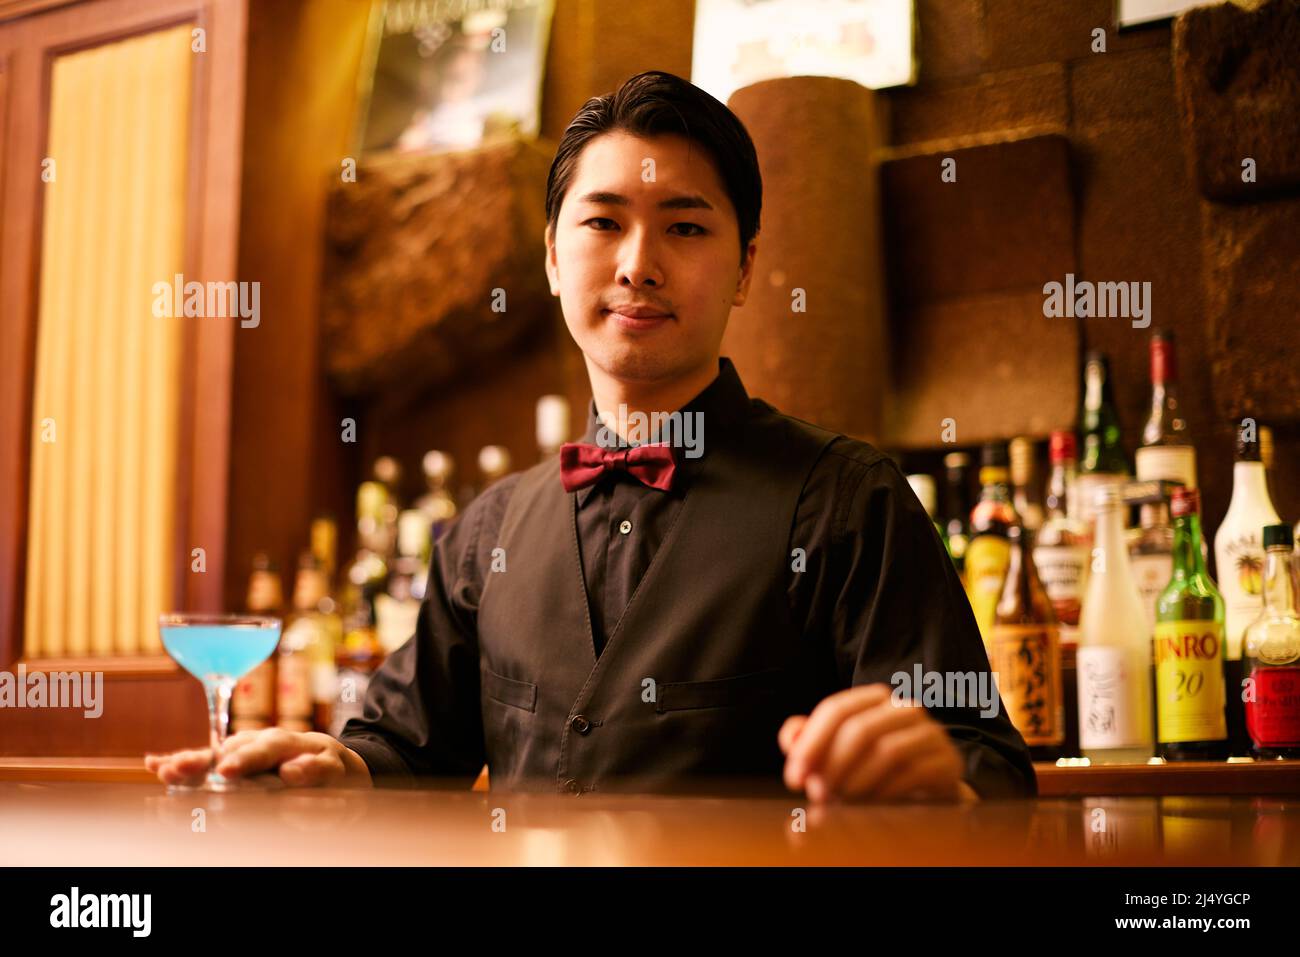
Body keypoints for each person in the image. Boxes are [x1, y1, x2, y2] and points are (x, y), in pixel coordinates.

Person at [148, 71, 1036, 802]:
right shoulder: (485, 534)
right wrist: (330, 768)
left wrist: (940, 784)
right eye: (603, 222)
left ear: (745, 269)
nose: (638, 264)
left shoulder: (850, 501)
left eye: (685, 227)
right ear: (549, 256)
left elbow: (989, 766)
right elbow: (403, 751)